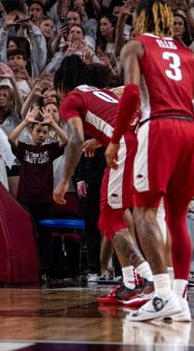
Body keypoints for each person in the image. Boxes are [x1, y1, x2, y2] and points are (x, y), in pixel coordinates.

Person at [108, 0, 194, 322]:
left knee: (144, 212)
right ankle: (179, 299)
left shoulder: (136, 46)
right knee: (178, 217)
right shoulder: (185, 51)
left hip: (158, 127)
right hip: (190, 129)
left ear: (141, 20)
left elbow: (130, 95)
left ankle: (162, 294)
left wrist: (114, 139)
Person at [52, 57, 152, 307]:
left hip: (125, 148)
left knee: (111, 219)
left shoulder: (70, 100)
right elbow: (125, 111)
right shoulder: (100, 92)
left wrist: (64, 181)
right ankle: (130, 283)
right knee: (111, 216)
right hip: (139, 142)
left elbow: (75, 139)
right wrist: (99, 140)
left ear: (62, 83)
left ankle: (149, 279)